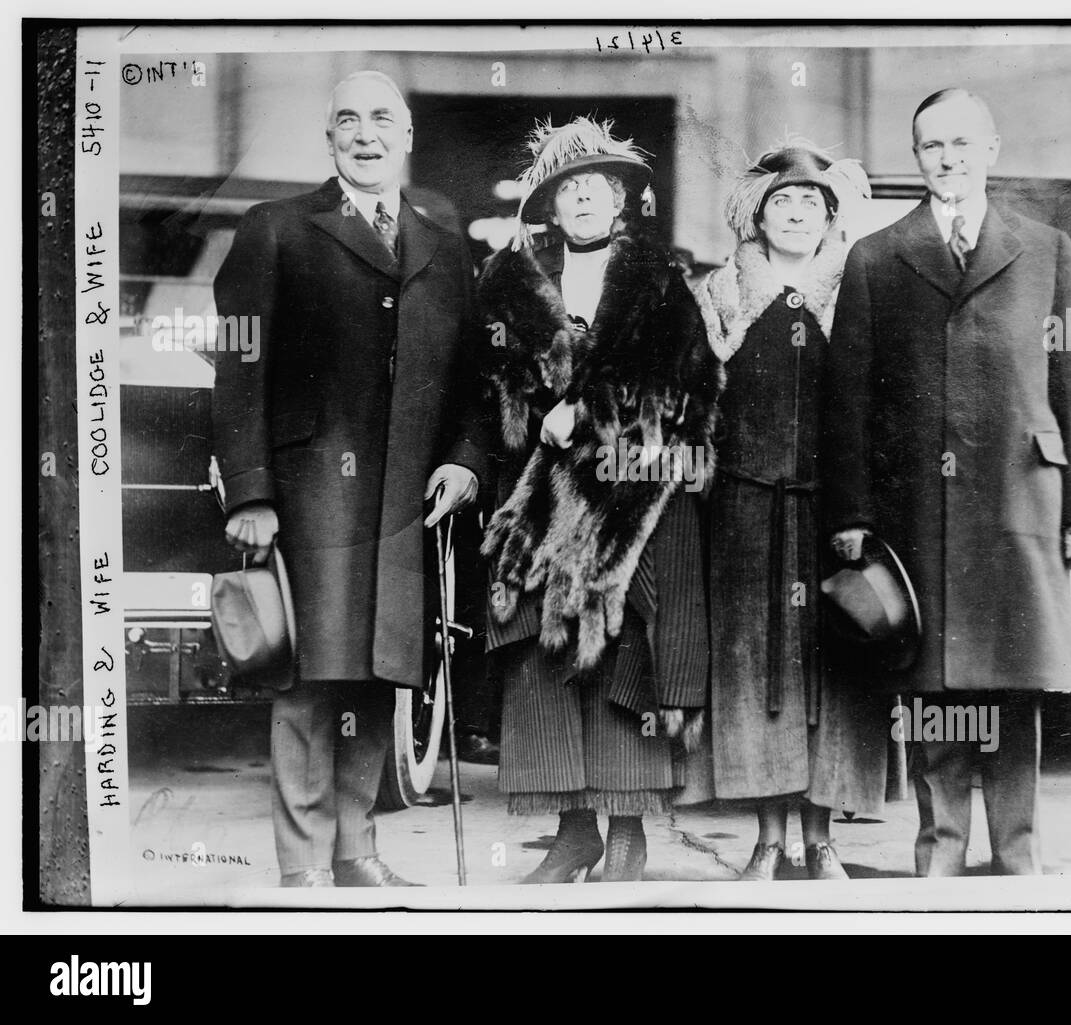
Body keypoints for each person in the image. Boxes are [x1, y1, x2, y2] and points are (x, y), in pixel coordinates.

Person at [824, 89, 1071, 877]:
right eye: (930, 147)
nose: (946, 159)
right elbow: (846, 399)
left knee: (1015, 680)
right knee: (934, 680)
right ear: (915, 158)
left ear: (990, 148)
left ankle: (1019, 854)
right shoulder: (875, 256)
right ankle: (941, 855)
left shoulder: (1049, 249)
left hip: (1021, 496)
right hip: (915, 505)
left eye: (960, 143)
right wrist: (851, 511)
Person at [211, 71, 487, 887]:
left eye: (381, 119)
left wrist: (466, 461)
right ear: (329, 139)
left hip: (404, 499)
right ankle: (303, 870)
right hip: (309, 498)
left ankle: (356, 852)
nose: (364, 134)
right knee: (308, 679)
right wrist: (252, 492)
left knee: (378, 672)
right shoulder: (277, 228)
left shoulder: (443, 242)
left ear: (407, 137)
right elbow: (238, 364)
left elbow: (476, 378)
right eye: (346, 121)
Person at [477, 116, 722, 883]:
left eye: (597, 188)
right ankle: (573, 829)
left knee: (624, 657)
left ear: (621, 201)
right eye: (568, 189)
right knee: (545, 660)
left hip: (630, 498)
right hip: (542, 499)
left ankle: (626, 831)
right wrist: (525, 401)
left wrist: (587, 411)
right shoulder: (509, 282)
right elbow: (480, 383)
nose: (582, 198)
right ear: (550, 205)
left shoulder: (659, 282)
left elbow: (692, 388)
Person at [691, 144, 892, 881]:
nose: (798, 212)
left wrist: (864, 514)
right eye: (783, 201)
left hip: (833, 520)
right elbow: (694, 409)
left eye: (813, 202)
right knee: (752, 677)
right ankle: (768, 838)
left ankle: (821, 839)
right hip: (743, 516)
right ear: (757, 214)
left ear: (832, 217)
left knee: (830, 678)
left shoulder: (857, 292)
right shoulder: (720, 295)